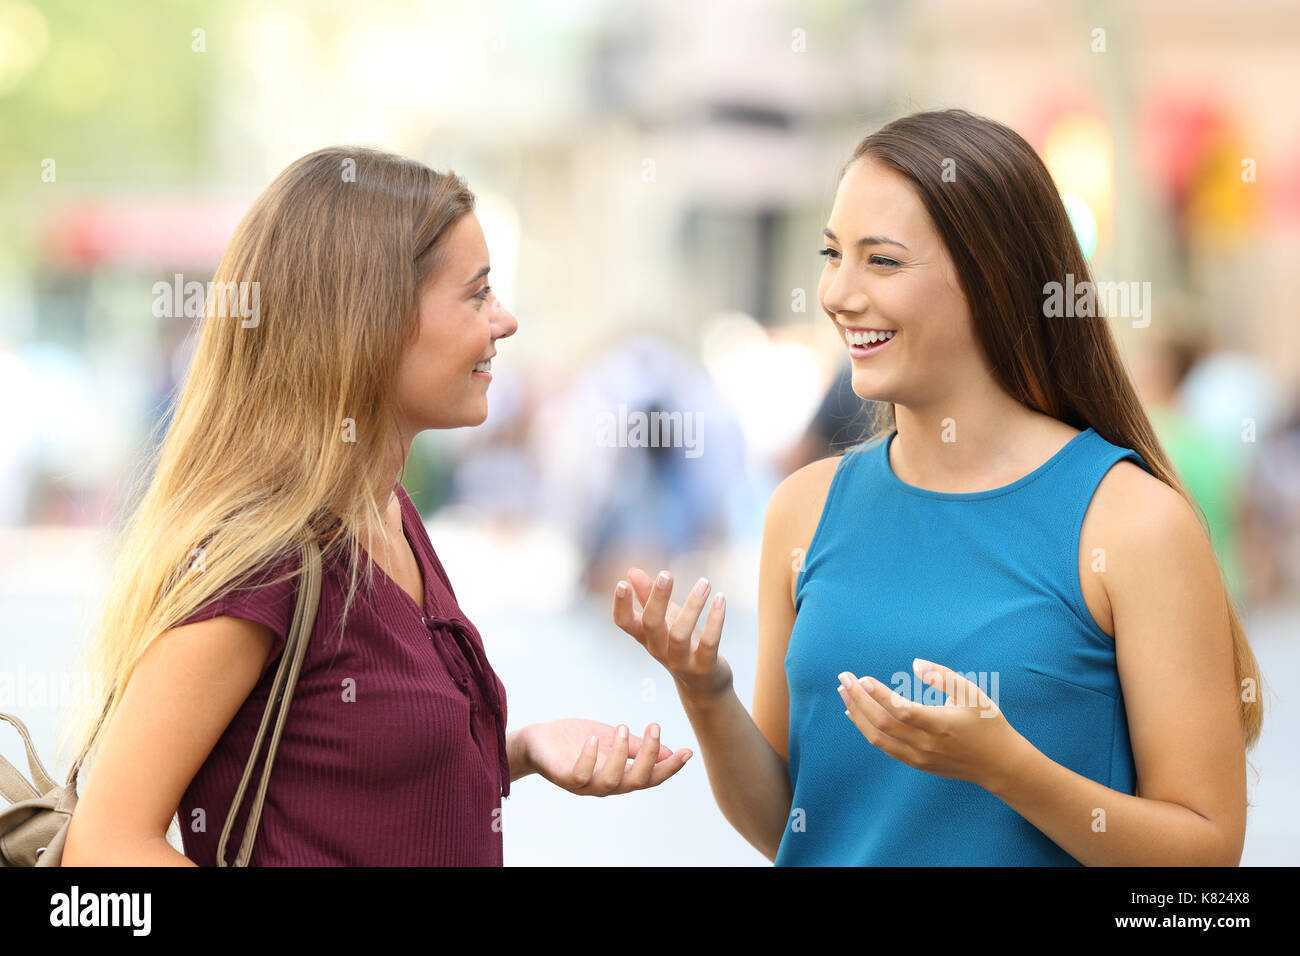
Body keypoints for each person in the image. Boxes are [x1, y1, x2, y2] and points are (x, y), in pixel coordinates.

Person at [612, 109, 1263, 866]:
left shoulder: (1131, 523)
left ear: (994, 280)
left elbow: (1205, 855)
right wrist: (704, 688)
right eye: (832, 254)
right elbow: (790, 826)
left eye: (881, 262)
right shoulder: (805, 508)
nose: (838, 294)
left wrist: (1006, 768)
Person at [60, 146, 691, 866]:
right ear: (374, 318)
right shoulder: (266, 556)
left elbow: (358, 770)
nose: (505, 320)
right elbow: (104, 845)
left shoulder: (387, 512)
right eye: (477, 293)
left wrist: (518, 749)